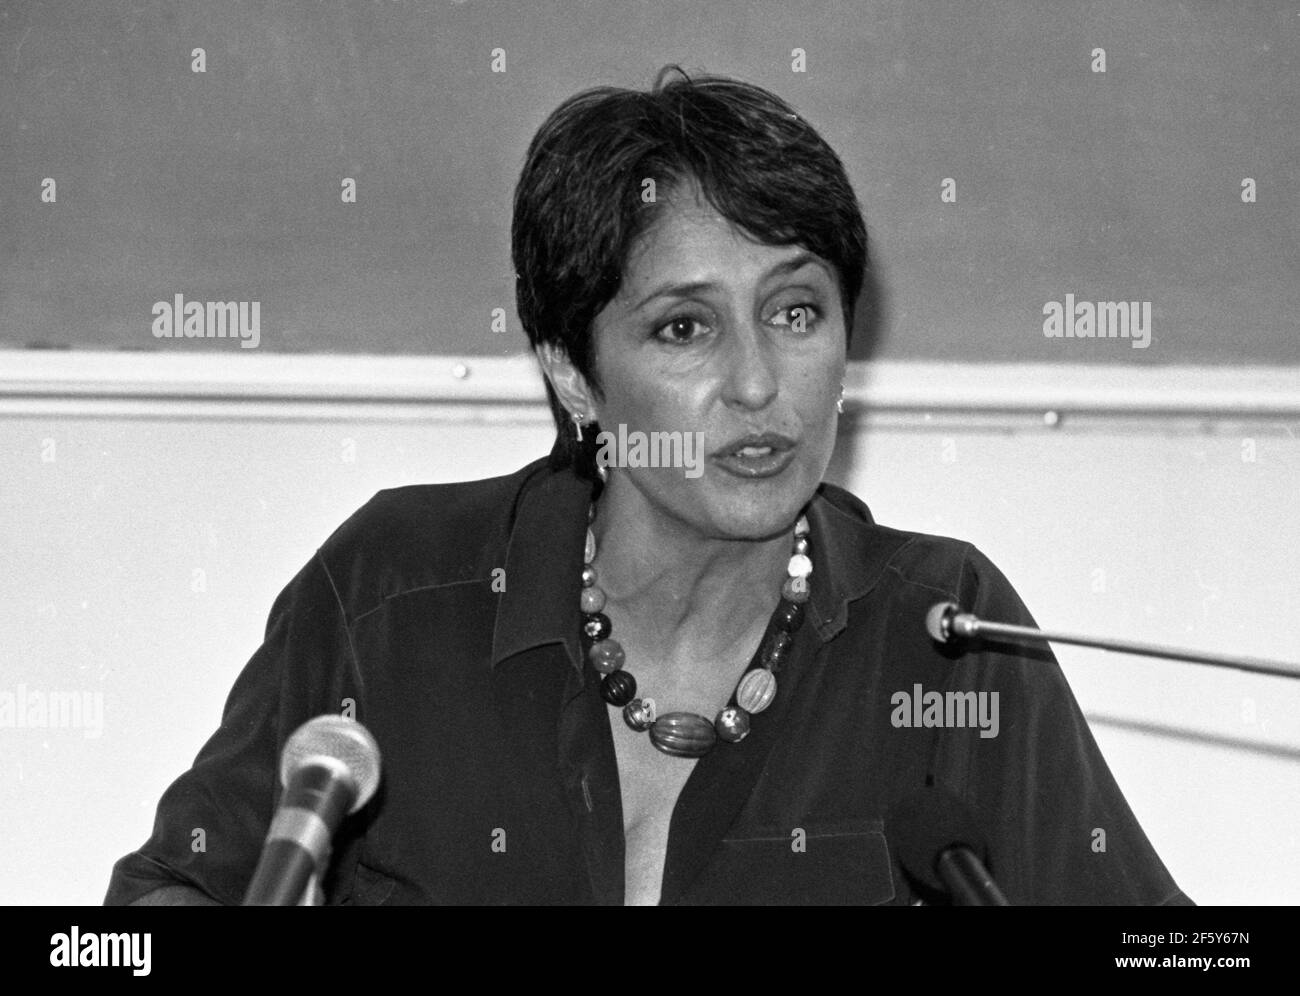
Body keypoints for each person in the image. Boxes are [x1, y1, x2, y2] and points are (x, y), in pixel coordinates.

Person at [105, 67, 1191, 906]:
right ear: (574, 374)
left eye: (797, 311)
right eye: (685, 327)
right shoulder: (393, 595)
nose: (760, 383)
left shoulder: (939, 631)